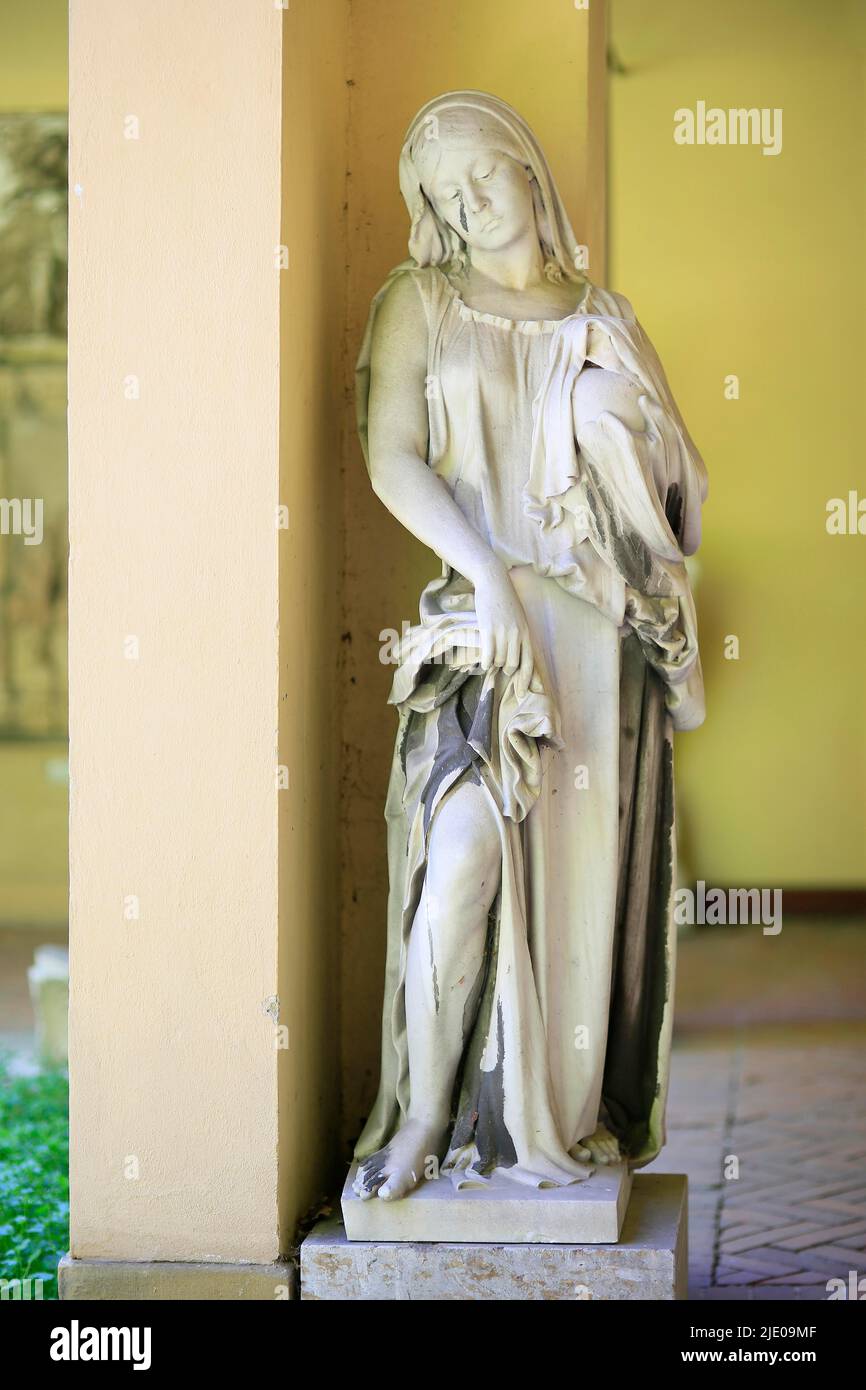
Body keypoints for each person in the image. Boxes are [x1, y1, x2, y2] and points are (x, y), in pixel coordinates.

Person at [353, 91, 707, 1201]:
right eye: (445, 195)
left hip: (593, 644)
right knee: (459, 861)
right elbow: (391, 457)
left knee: (573, 906)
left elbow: (678, 494)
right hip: (481, 627)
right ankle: (422, 1118)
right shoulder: (417, 302)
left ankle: (546, 1118)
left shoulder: (606, 315)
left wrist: (616, 417)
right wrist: (488, 570)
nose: (470, 204)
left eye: (483, 175)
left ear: (528, 169)